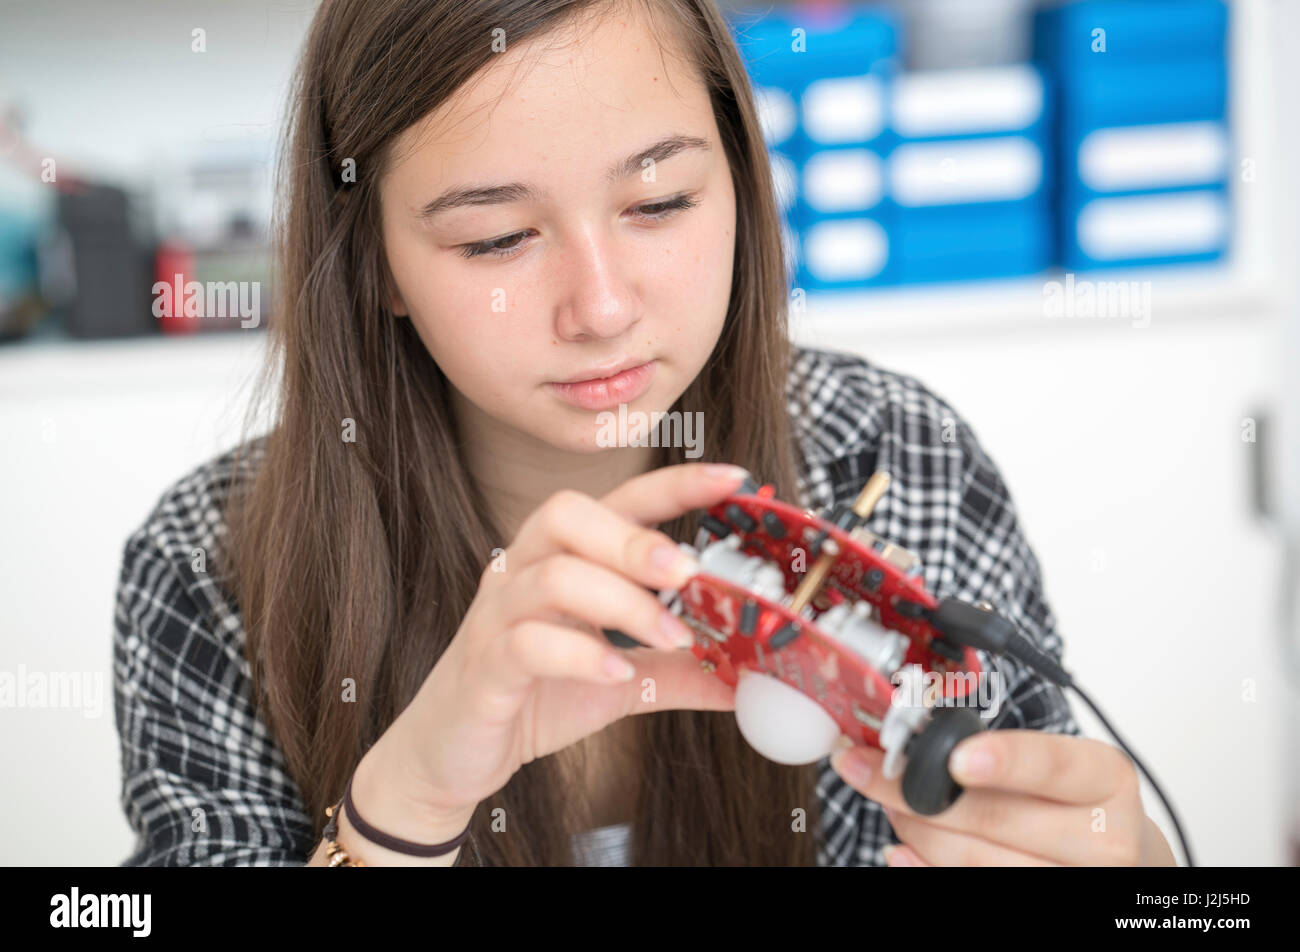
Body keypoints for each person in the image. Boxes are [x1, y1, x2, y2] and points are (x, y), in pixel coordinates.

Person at [111, 0, 1176, 867]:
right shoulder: (214, 566)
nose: (602, 306)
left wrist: (1141, 882)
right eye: (495, 238)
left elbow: (1063, 817)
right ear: (375, 262)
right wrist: (406, 805)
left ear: (740, 181)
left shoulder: (897, 464)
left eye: (659, 201)